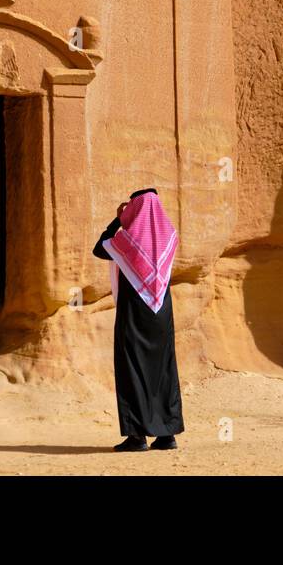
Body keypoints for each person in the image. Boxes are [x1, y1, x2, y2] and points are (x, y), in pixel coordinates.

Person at [92, 187, 184, 452]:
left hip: (134, 312)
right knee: (163, 370)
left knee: (133, 368)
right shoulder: (170, 238)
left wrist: (118, 221)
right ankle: (167, 435)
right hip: (161, 313)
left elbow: (100, 248)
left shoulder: (128, 242)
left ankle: (137, 437)